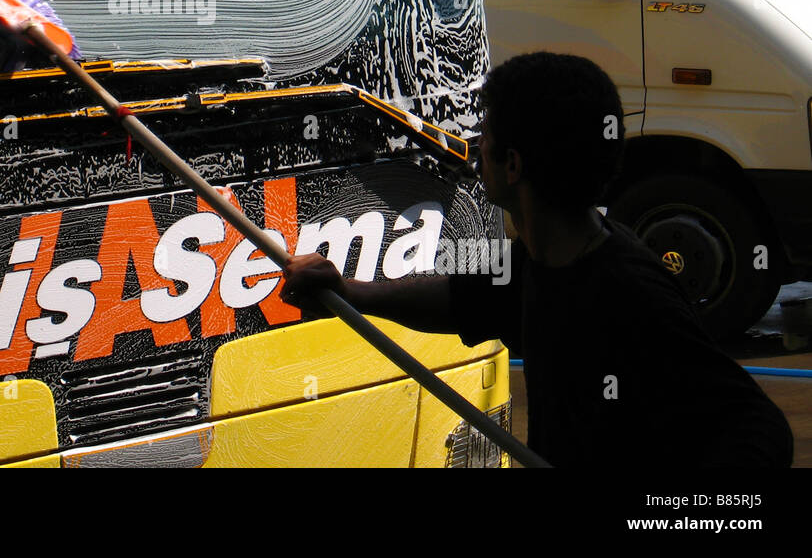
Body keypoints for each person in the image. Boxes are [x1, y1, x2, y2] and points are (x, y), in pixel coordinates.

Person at [282, 51, 794, 467]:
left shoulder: (628, 293)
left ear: (513, 165)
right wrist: (350, 293)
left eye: (487, 135)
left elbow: (757, 429)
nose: (474, 145)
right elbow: (463, 300)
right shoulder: (544, 259)